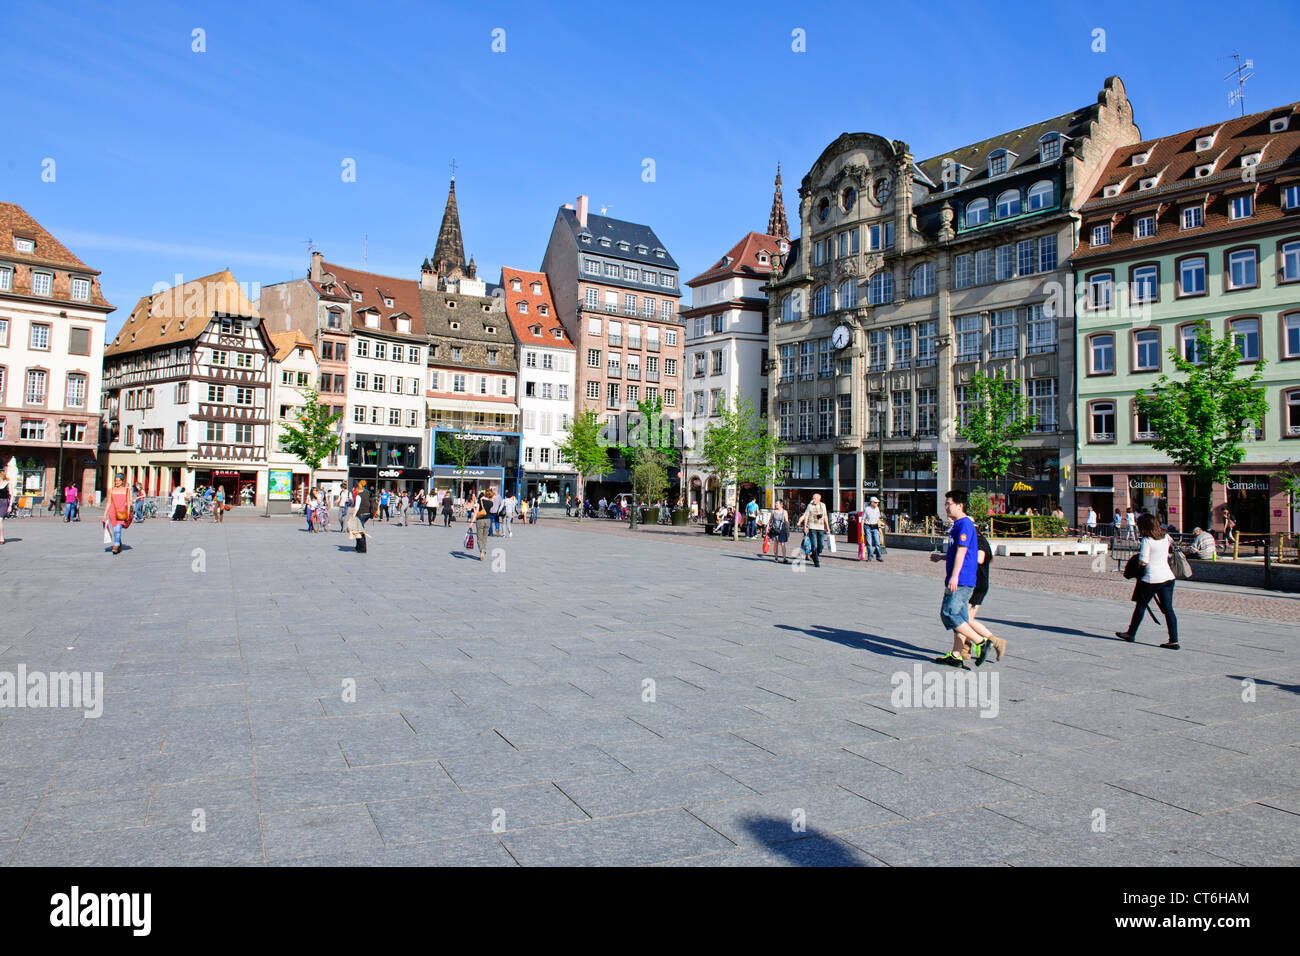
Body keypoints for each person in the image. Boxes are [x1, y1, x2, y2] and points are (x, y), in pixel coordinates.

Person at [931, 490, 984, 668]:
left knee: (948, 613)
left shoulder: (965, 525)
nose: (946, 507)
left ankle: (981, 642)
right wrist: (942, 557)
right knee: (960, 617)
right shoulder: (958, 525)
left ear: (960, 506)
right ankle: (956, 655)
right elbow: (958, 553)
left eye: (949, 504)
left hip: (961, 579)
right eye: (946, 504)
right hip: (960, 578)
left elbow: (962, 552)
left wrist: (954, 576)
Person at [1115, 512, 1180, 650]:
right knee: (1168, 609)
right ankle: (1173, 640)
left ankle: (1131, 633)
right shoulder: (1166, 536)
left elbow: (1144, 561)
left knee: (1141, 607)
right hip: (1167, 576)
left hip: (1151, 578)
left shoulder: (1147, 540)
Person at [966, 528, 1007, 665]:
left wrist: (963, 555)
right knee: (963, 618)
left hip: (978, 586)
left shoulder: (979, 541)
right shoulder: (977, 540)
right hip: (977, 584)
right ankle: (965, 649)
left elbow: (980, 558)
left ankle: (994, 641)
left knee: (966, 619)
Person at [102, 474, 133, 556]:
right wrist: (104, 514)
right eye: (116, 480)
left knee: (117, 529)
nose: (117, 482)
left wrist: (128, 512)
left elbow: (128, 503)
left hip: (122, 512)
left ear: (122, 481)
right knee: (115, 529)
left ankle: (116, 546)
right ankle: (118, 542)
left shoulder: (126, 490)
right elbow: (108, 502)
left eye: (119, 480)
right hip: (113, 512)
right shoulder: (111, 490)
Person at [797, 492, 829, 568]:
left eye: (815, 498)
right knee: (814, 545)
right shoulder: (810, 506)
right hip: (812, 527)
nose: (813, 500)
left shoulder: (823, 505)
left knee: (821, 545)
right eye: (813, 498)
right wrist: (805, 526)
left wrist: (828, 527)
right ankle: (816, 562)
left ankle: (814, 555)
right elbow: (806, 515)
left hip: (821, 527)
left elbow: (825, 516)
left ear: (819, 499)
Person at [863, 496, 885, 562]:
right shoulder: (867, 509)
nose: (877, 504)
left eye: (877, 502)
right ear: (872, 503)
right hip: (868, 526)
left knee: (877, 543)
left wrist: (880, 525)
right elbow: (863, 519)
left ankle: (879, 556)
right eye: (875, 502)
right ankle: (870, 557)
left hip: (875, 526)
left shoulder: (877, 509)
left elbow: (878, 518)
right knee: (869, 543)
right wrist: (862, 529)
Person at [769, 499, 790, 564]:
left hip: (782, 530)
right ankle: (776, 557)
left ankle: (784, 558)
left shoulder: (785, 512)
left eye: (777, 504)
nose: (776, 505)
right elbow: (770, 520)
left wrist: (788, 530)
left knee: (782, 544)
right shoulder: (773, 511)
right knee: (775, 544)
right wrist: (767, 527)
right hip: (775, 529)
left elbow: (786, 521)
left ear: (781, 504)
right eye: (775, 504)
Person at [474, 486, 493, 560]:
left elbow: (476, 511)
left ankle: (481, 550)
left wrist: (472, 522)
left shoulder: (480, 501)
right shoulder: (491, 503)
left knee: (479, 538)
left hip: (480, 520)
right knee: (485, 537)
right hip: (488, 520)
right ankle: (484, 550)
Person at [0, 474, 10, 544]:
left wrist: (10, 505)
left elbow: (11, 494)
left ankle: (1, 538)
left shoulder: (8, 483)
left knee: (0, 520)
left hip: (3, 502)